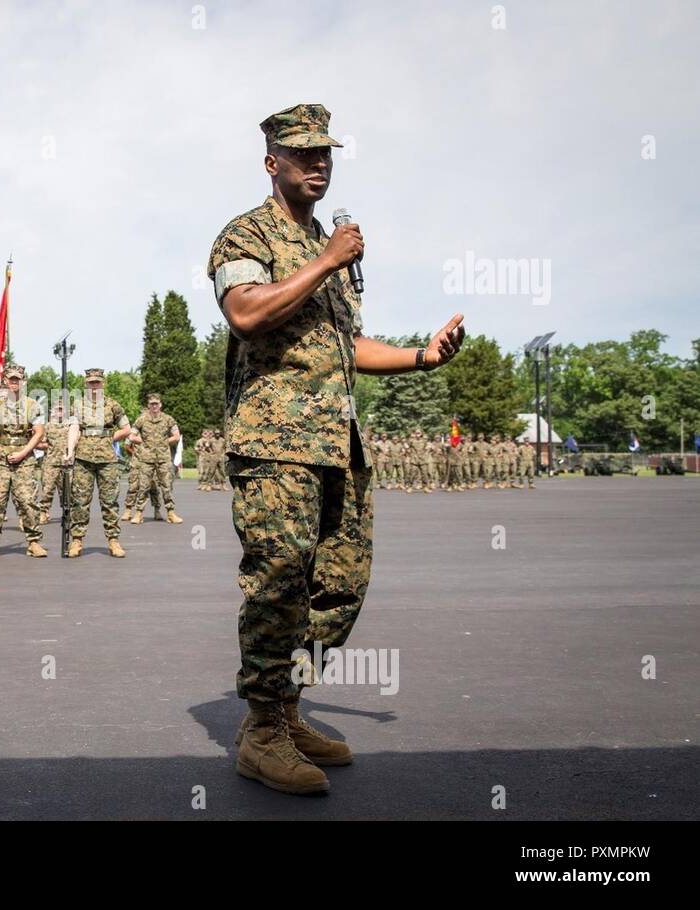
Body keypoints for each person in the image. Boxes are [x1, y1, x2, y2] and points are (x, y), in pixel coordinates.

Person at [207, 102, 464, 794]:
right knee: (280, 578)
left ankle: (289, 710)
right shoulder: (246, 236)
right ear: (272, 163)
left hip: (337, 443)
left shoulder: (331, 246)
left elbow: (346, 345)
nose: (318, 163)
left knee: (340, 587)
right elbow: (247, 312)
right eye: (304, 154)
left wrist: (421, 356)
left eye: (327, 154)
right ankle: (261, 730)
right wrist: (325, 260)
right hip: (274, 443)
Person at [0, 363, 47, 558]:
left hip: (24, 459)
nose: (14, 382)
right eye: (11, 379)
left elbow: (39, 433)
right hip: (1, 459)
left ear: (23, 381)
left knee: (27, 501)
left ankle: (33, 542)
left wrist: (24, 452)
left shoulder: (32, 405)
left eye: (18, 379)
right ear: (5, 381)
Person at [64, 368, 131, 558]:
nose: (94, 386)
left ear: (103, 383)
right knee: (80, 501)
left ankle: (113, 540)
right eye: (91, 382)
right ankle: (77, 540)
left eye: (97, 382)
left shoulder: (113, 405)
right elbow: (74, 429)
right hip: (83, 459)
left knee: (110, 501)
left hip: (107, 460)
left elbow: (126, 428)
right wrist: (69, 451)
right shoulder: (77, 405)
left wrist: (110, 439)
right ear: (86, 384)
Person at [128, 394, 183, 524]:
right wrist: (143, 441)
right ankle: (139, 514)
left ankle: (171, 513)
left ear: (160, 405)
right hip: (146, 458)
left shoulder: (168, 419)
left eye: (156, 403)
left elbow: (176, 436)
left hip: (163, 458)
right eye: (152, 403)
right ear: (148, 405)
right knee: (144, 486)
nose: (154, 406)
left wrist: (164, 442)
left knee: (167, 486)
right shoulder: (141, 420)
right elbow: (131, 436)